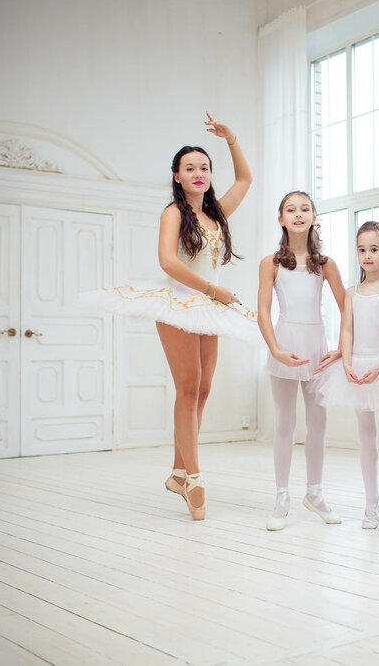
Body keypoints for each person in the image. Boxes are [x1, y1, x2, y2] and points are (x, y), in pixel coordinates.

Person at [81, 113, 255, 521]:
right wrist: (214, 290)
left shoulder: (218, 214)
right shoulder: (174, 214)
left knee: (204, 389)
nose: (198, 173)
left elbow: (245, 180)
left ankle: (177, 472)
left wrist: (231, 139)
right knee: (188, 388)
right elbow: (167, 262)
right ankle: (193, 477)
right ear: (177, 176)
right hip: (179, 303)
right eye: (190, 168)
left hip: (209, 307)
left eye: (204, 168)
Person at [258, 191, 346, 531]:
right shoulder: (271, 263)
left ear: (313, 217)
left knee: (318, 422)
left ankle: (315, 493)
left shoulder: (326, 265)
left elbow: (347, 307)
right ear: (281, 219)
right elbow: (263, 310)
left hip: (316, 346)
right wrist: (276, 348)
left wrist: (341, 348)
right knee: (284, 420)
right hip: (284, 344)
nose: (298, 214)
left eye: (304, 209)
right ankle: (282, 495)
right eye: (290, 210)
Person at [315, 221, 379, 529]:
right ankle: (370, 501)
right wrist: (347, 363)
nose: (367, 255)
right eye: (362, 250)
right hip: (358, 367)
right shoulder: (352, 292)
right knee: (366, 436)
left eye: (374, 249)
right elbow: (347, 329)